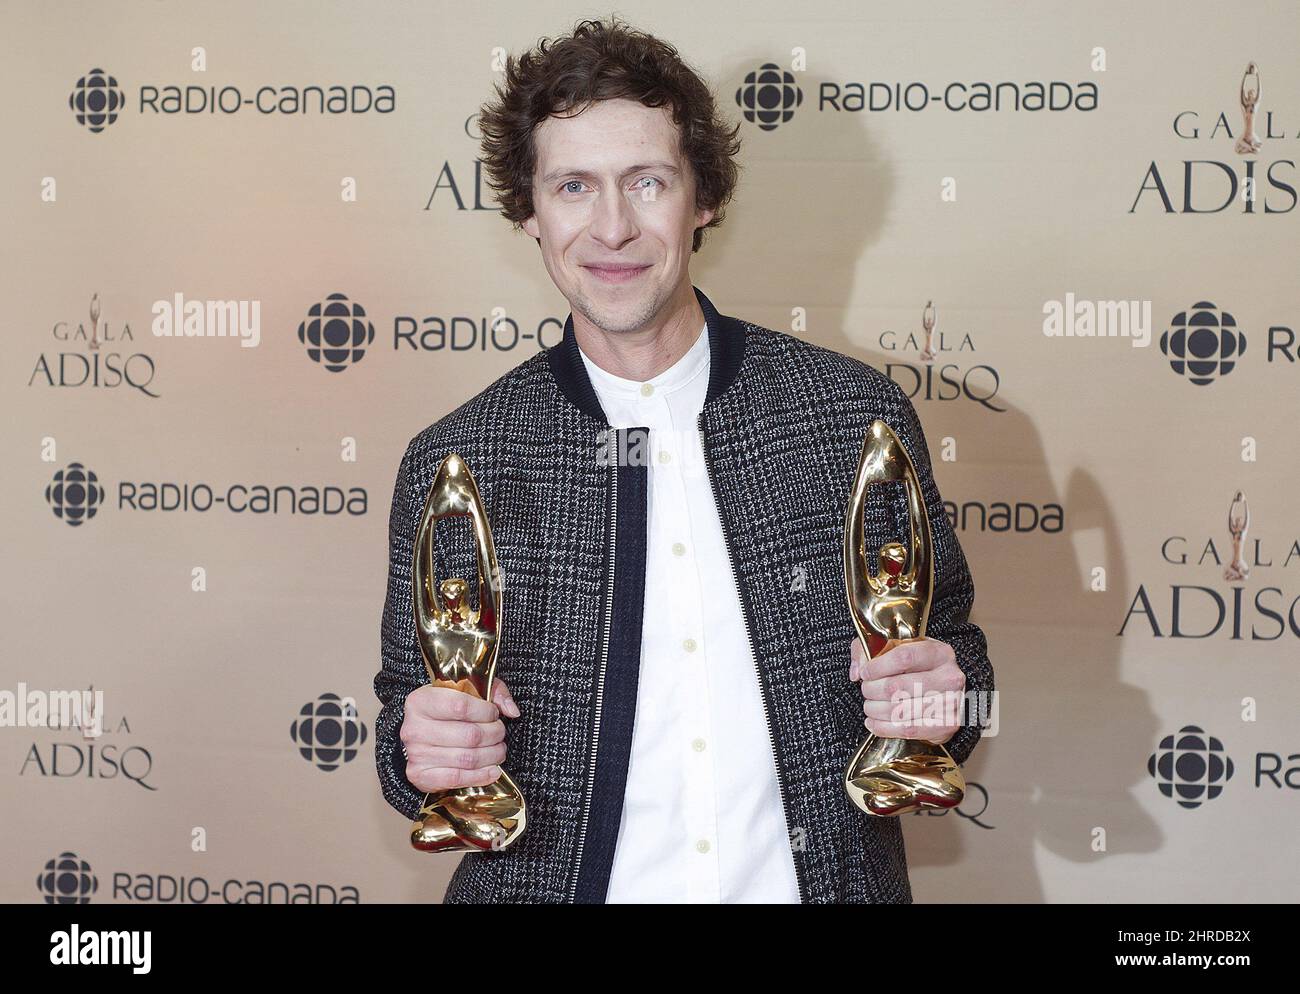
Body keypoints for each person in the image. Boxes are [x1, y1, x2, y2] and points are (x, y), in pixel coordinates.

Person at [375, 16, 992, 904]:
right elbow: (406, 726)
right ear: (530, 212)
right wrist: (418, 750)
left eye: (648, 182)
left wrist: (950, 700)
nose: (613, 228)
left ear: (702, 199)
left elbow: (960, 670)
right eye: (574, 186)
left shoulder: (851, 416)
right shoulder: (462, 456)